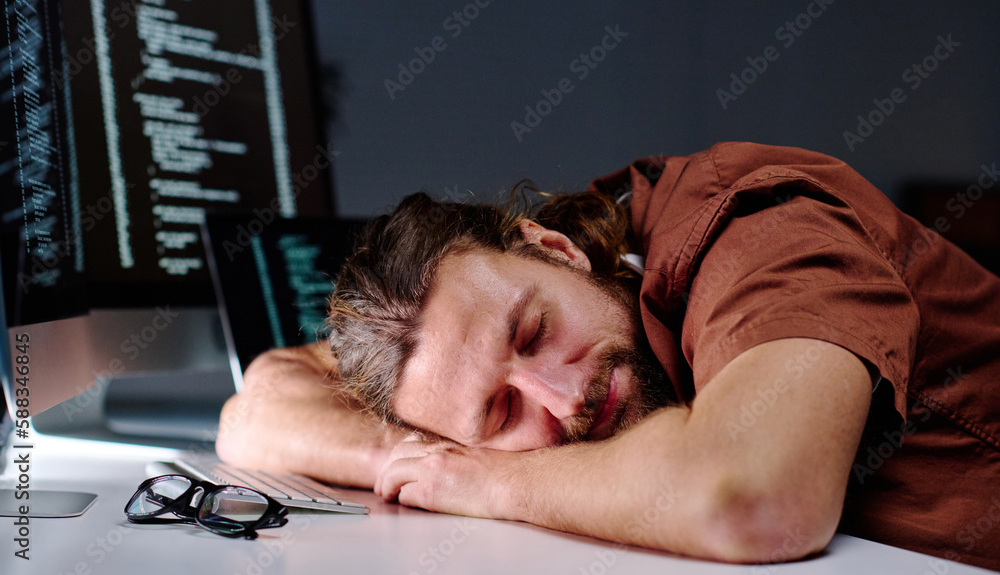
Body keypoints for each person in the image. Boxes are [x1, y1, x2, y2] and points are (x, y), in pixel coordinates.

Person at [216, 142, 1000, 569]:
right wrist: (408, 452)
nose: (563, 398)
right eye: (499, 409)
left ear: (555, 247)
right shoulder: (461, 328)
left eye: (532, 334)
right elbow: (258, 403)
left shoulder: (758, 227)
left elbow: (754, 500)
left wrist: (477, 474)